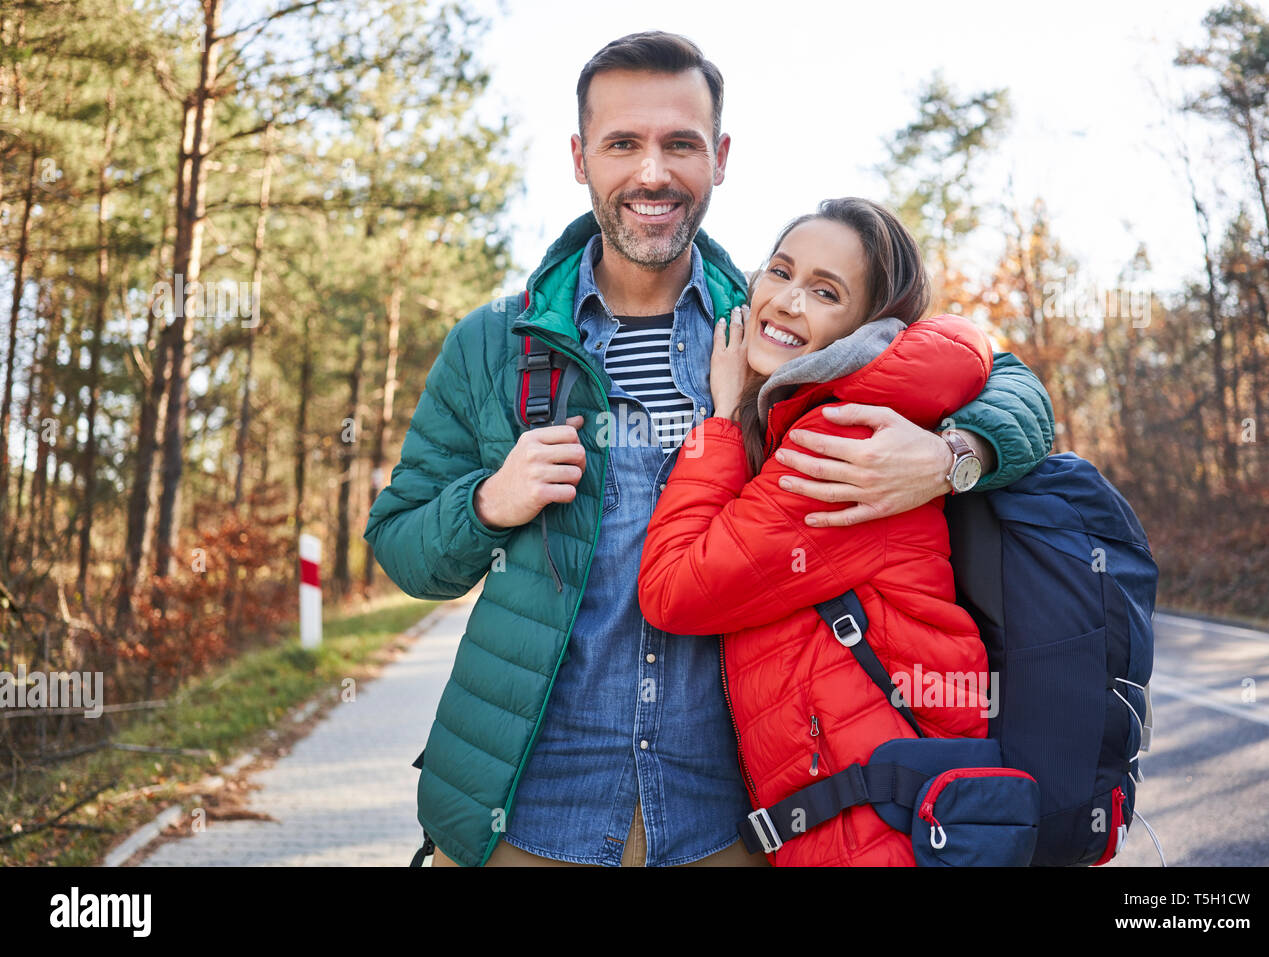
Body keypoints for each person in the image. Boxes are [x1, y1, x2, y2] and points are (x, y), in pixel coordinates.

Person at [363, 31, 1055, 868]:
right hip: (524, 817)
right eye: (624, 143)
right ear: (580, 157)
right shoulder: (493, 344)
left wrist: (954, 455)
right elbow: (401, 544)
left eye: (679, 144)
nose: (652, 173)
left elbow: (1004, 378)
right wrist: (486, 505)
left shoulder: (779, 333)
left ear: (719, 157)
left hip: (730, 823)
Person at [638, 198, 992, 865]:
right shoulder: (827, 416)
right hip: (873, 815)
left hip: (878, 833)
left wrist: (720, 418)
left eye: (826, 292)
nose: (788, 301)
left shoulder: (843, 440)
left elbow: (672, 590)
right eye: (780, 271)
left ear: (866, 324)